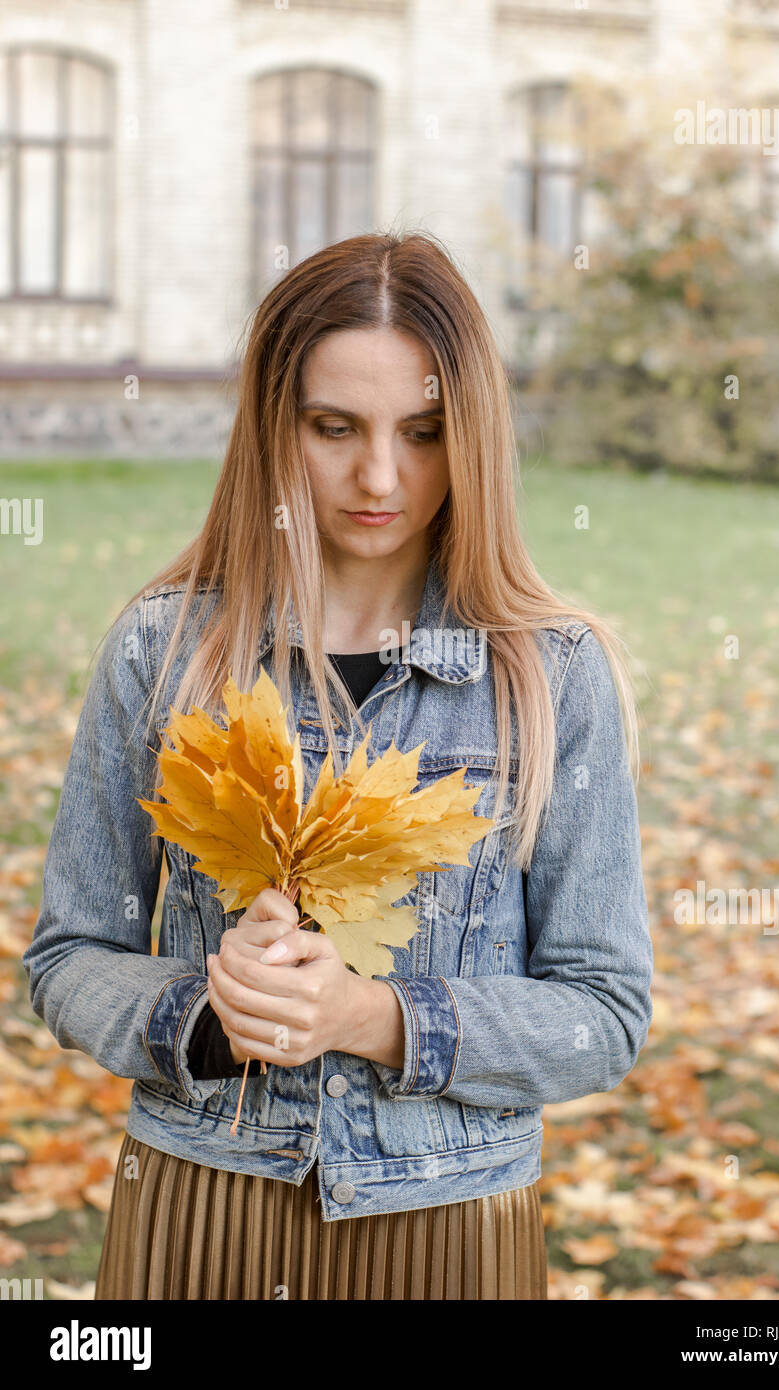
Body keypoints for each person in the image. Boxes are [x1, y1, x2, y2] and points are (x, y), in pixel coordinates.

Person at [23, 230, 653, 1301]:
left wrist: (375, 1018)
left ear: (475, 436)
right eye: (333, 428)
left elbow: (603, 1010)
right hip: (202, 1202)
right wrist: (208, 1013)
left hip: (450, 1220)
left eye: (423, 431)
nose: (379, 476)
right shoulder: (166, 651)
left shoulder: (550, 675)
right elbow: (68, 954)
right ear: (276, 426)